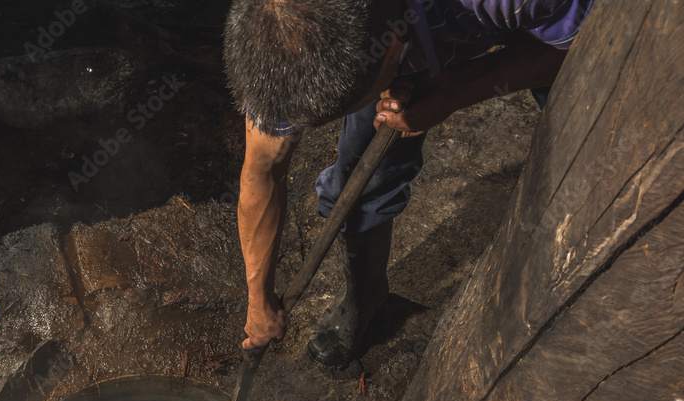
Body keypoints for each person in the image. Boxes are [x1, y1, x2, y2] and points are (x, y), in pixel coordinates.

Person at [224, 0, 593, 367]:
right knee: (360, 181)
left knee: (581, 151)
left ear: (393, 54)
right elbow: (263, 169)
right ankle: (366, 295)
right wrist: (259, 301)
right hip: (407, 32)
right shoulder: (282, 22)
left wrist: (457, 89)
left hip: (572, 22)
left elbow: (595, 36)